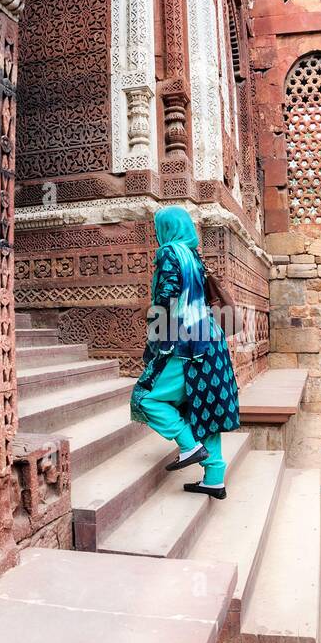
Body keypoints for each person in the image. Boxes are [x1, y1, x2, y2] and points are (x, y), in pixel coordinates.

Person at [129, 205, 240, 499]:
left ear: (165, 228)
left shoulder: (169, 252)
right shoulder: (194, 256)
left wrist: (153, 325)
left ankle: (189, 445)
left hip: (188, 343)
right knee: (200, 407)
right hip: (212, 341)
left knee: (147, 398)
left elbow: (168, 298)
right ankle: (214, 477)